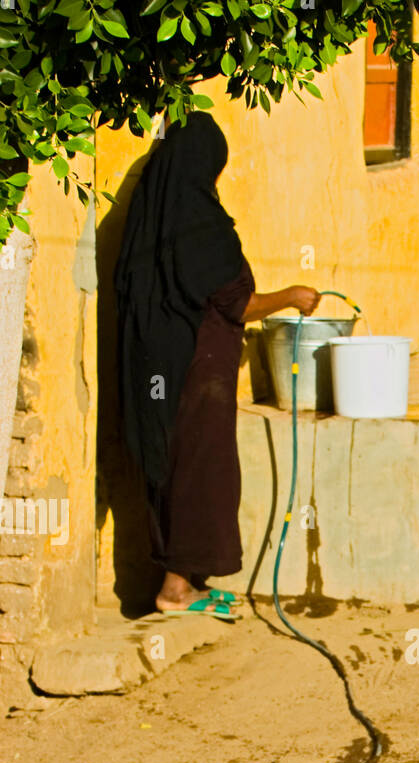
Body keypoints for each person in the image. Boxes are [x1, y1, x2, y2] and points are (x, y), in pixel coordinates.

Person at [115, 112, 320, 617]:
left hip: (156, 373)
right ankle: (177, 587)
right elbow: (236, 303)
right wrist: (292, 295)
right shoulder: (200, 221)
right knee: (200, 472)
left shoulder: (150, 212)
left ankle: (184, 578)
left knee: (169, 466)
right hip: (197, 372)